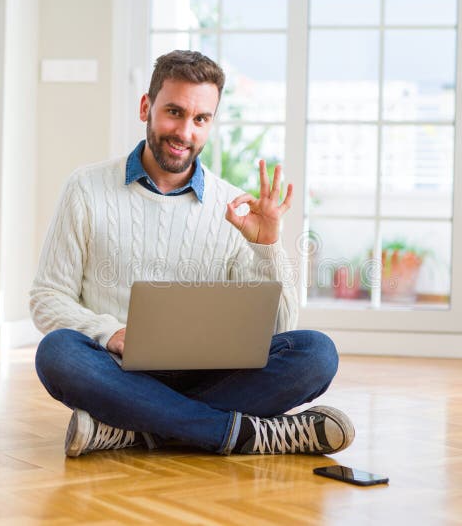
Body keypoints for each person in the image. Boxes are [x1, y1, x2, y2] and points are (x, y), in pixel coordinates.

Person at [31, 50, 354, 457]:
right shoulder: (86, 188)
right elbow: (46, 298)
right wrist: (111, 335)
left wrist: (267, 244)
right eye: (174, 112)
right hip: (117, 371)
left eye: (200, 119)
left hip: (210, 375)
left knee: (316, 353)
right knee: (58, 353)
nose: (185, 131)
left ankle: (131, 430)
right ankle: (242, 434)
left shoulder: (233, 206)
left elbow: (279, 327)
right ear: (146, 107)